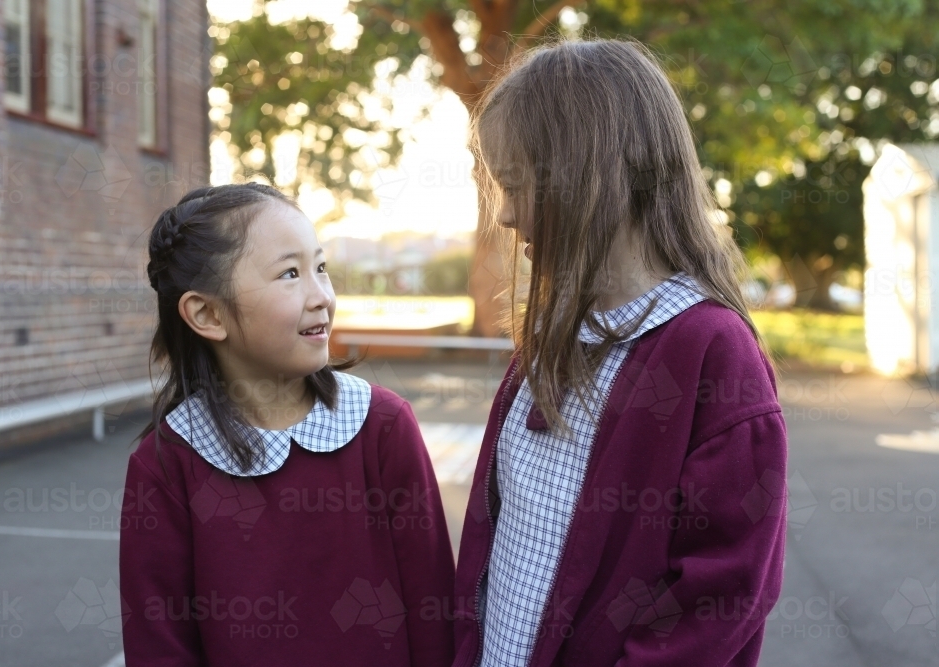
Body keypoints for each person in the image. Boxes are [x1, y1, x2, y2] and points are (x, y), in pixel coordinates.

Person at [452, 39, 788, 667]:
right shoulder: (548, 339)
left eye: (517, 187)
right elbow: (496, 544)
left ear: (591, 180)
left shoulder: (711, 353)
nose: (504, 214)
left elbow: (722, 591)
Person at [119, 183, 455, 666]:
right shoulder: (166, 464)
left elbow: (434, 613)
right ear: (207, 313)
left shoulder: (383, 427)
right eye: (290, 273)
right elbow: (159, 646)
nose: (321, 296)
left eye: (321, 268)